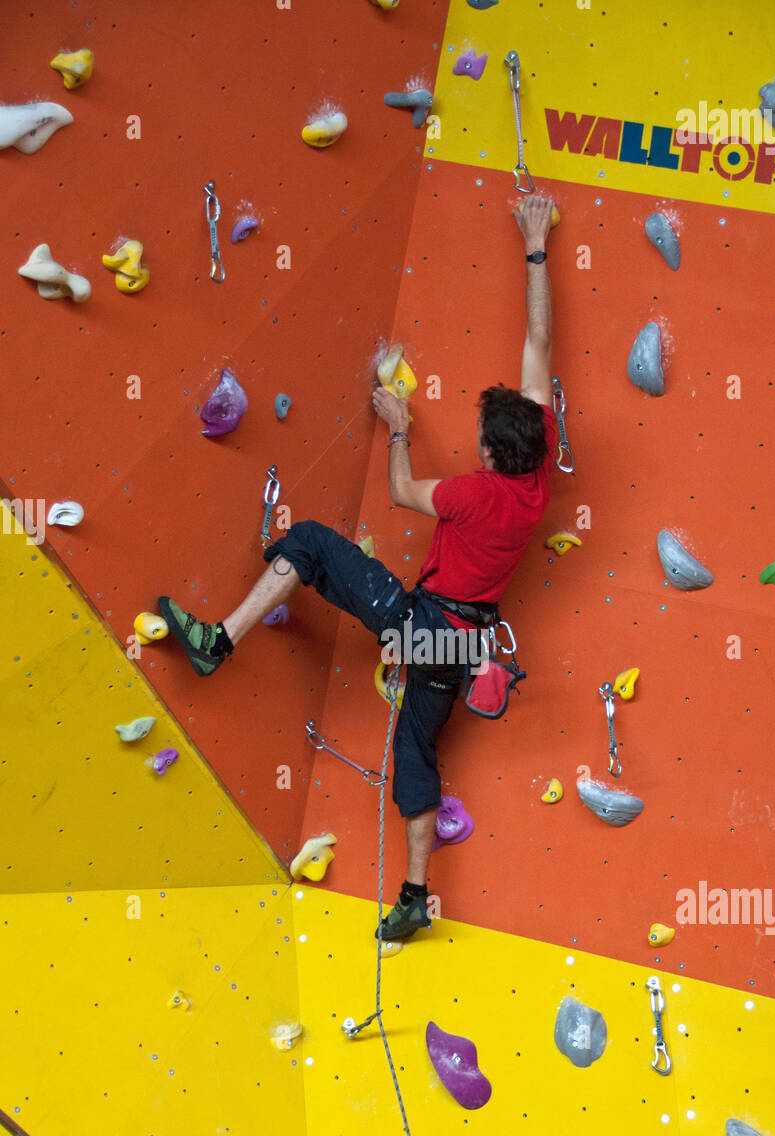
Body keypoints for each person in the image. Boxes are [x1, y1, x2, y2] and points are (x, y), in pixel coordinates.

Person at [158, 195, 561, 941]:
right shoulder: (536, 471)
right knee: (414, 746)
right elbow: (540, 339)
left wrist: (400, 429)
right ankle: (413, 896)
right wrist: (536, 246)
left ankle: (218, 642)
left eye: (478, 434)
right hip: (460, 648)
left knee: (310, 541)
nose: (474, 436)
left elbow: (404, 494)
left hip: (424, 628)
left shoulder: (475, 492)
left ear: (493, 453)